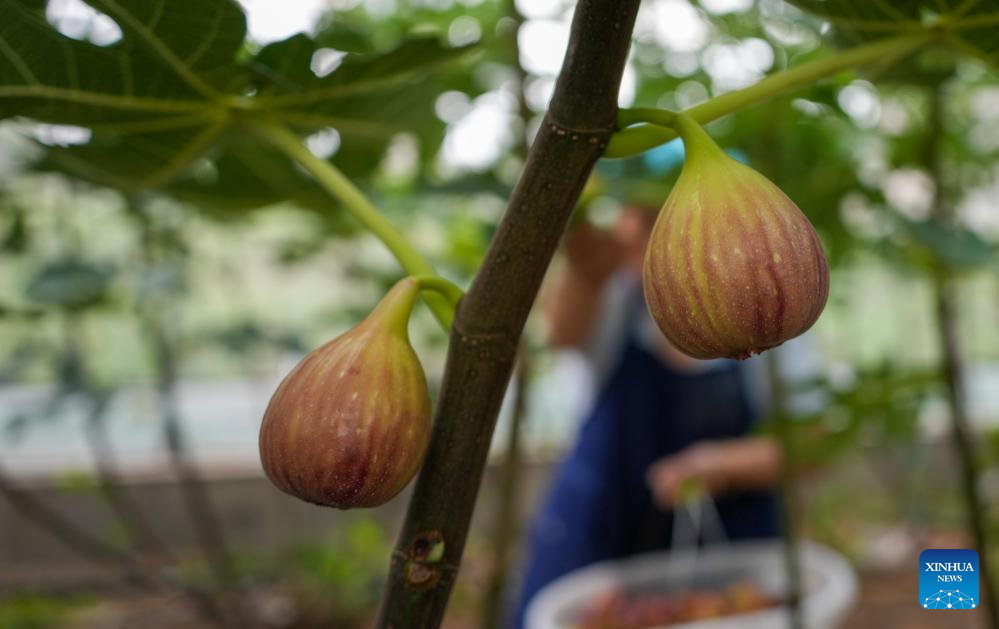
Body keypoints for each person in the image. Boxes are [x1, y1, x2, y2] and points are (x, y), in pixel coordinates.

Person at [513, 206, 795, 628]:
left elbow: (810, 444)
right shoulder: (616, 302)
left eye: (658, 218)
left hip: (730, 539)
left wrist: (722, 464)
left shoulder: (769, 313)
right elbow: (563, 332)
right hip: (599, 536)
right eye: (638, 220)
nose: (637, 231)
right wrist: (586, 270)